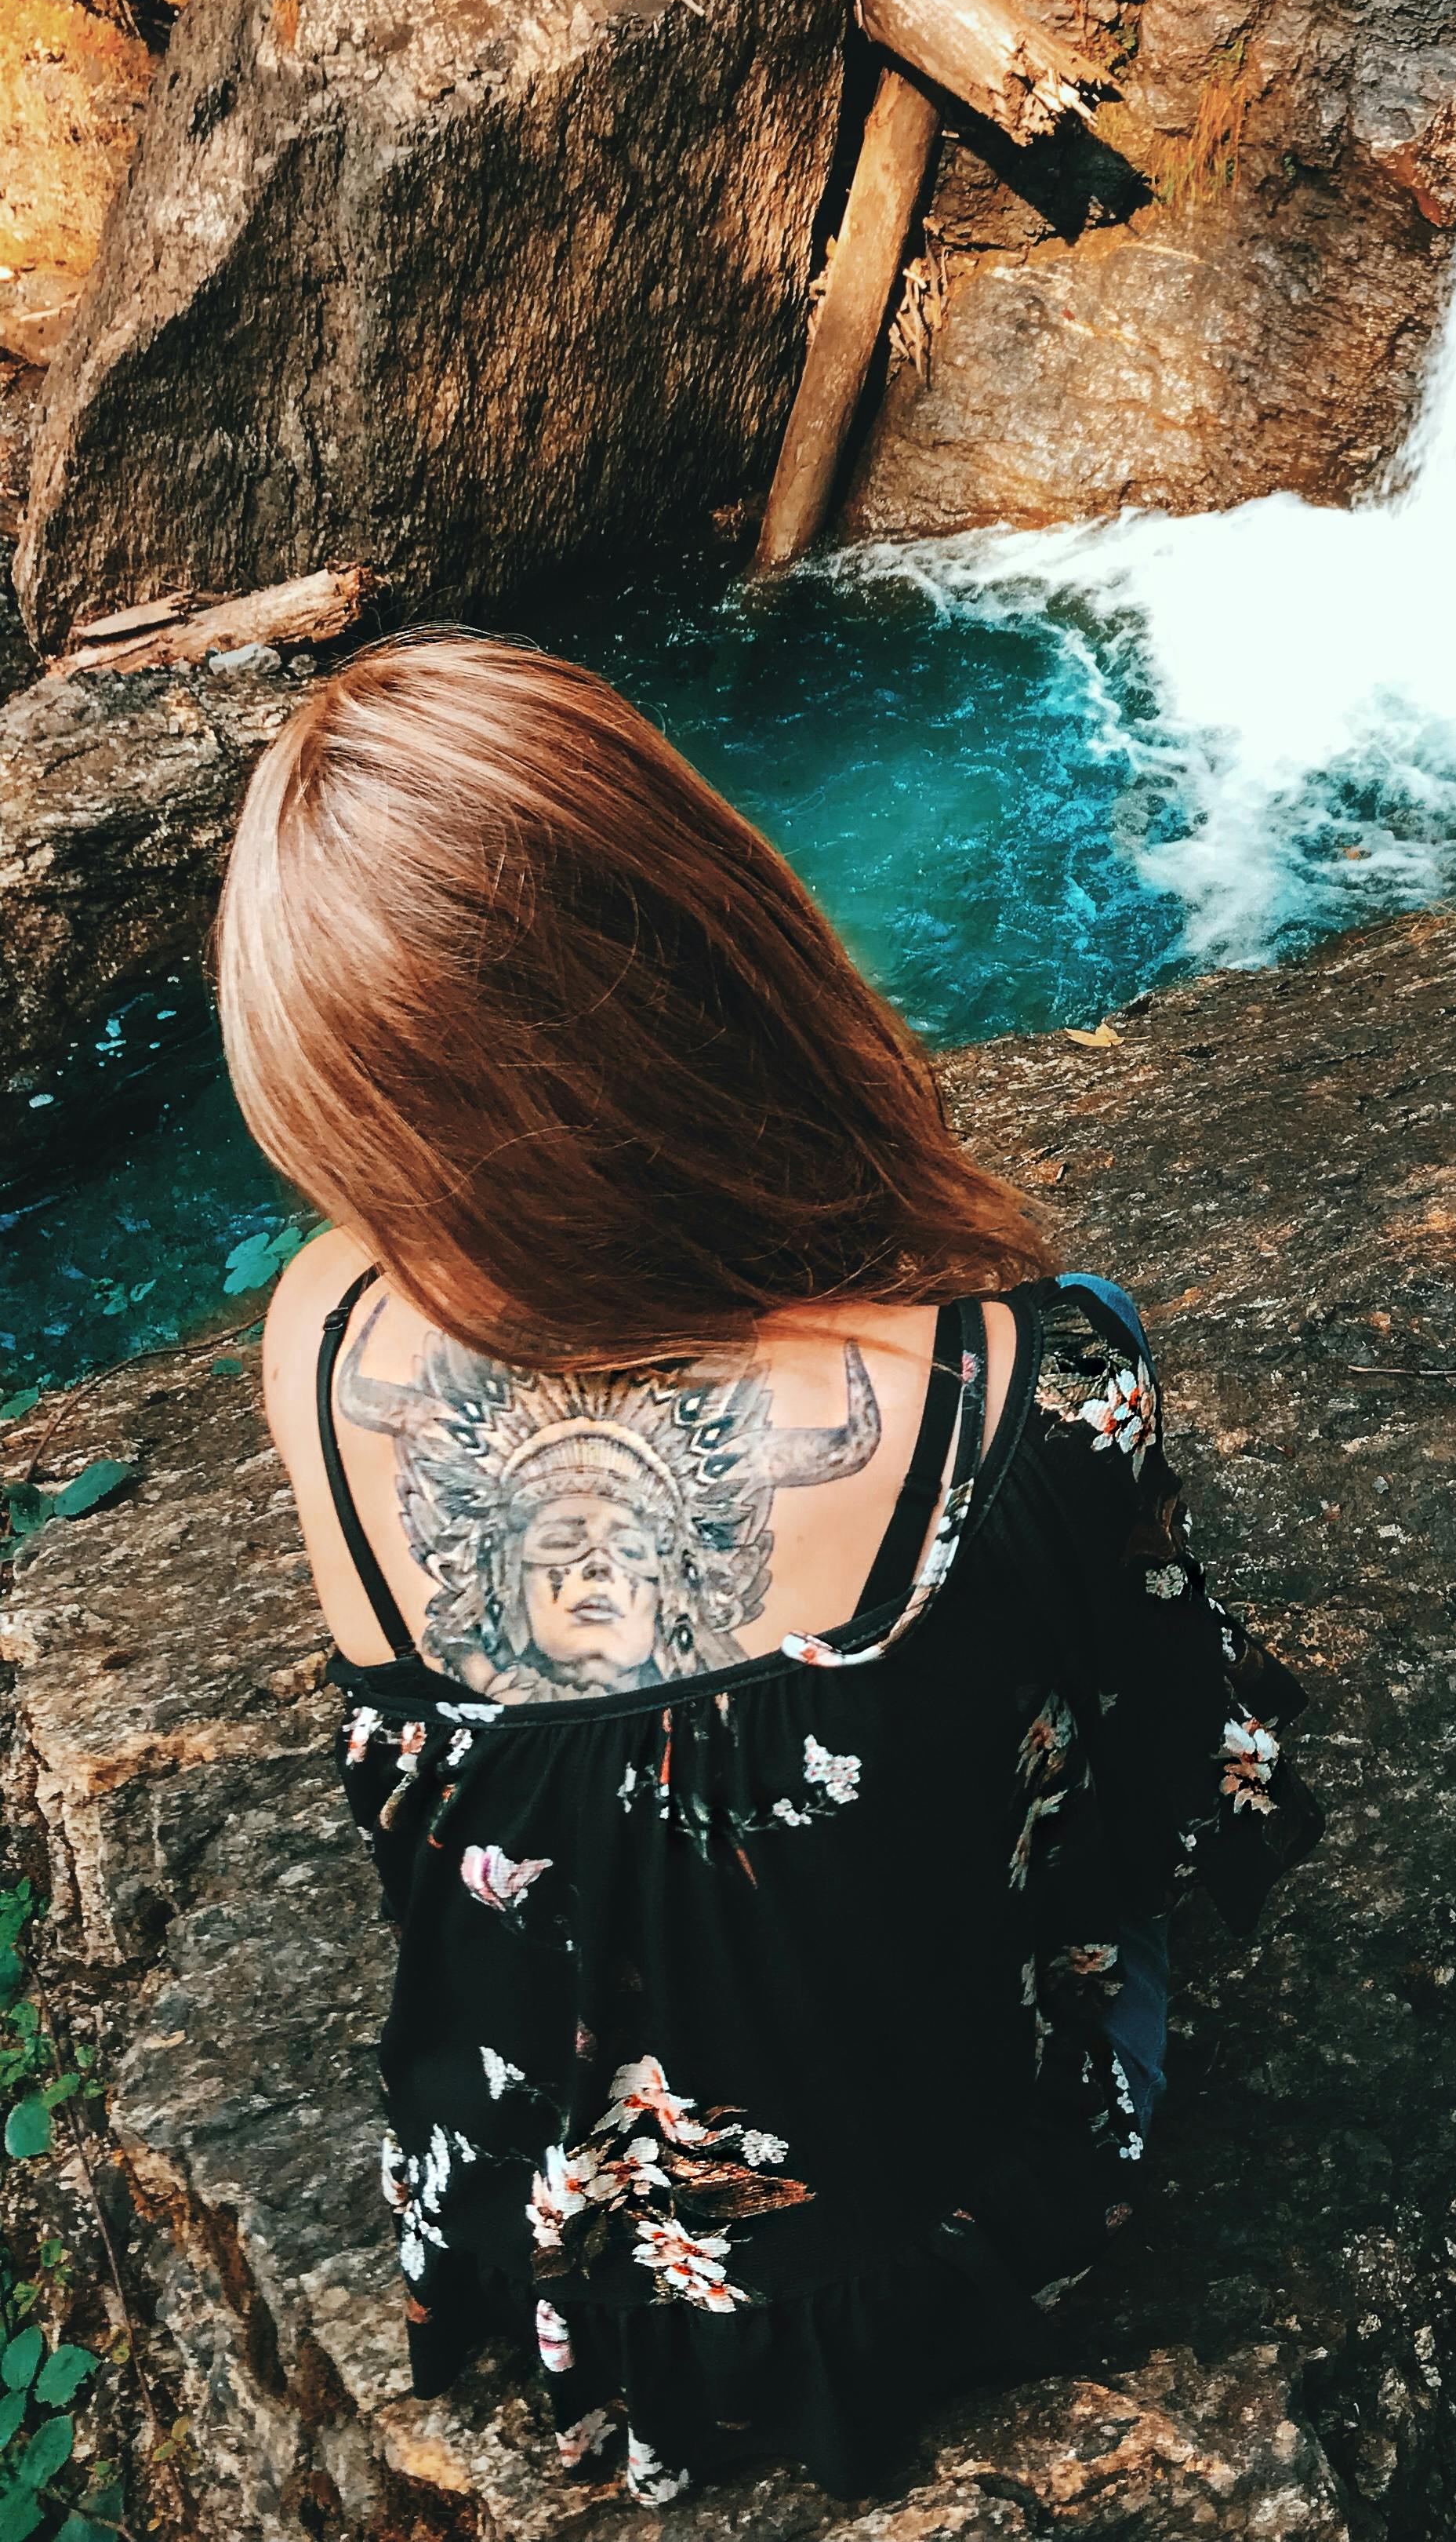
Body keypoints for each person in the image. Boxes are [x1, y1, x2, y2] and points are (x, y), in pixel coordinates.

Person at [218, 631, 1320, 2509]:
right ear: (723, 950)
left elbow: (424, 1805)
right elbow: (1144, 1814)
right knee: (1111, 1548)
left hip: (551, 2254)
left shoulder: (320, 1337)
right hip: (917, 2259)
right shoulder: (1024, 1387)